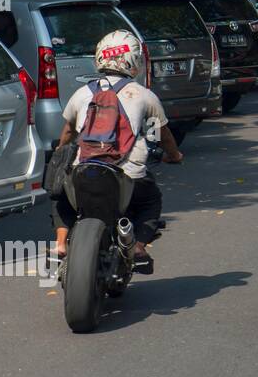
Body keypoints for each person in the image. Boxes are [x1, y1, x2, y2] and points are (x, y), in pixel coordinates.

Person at [53, 30, 183, 268]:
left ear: (100, 57)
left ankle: (60, 245)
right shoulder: (144, 95)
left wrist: (60, 153)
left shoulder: (82, 94)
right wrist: (174, 156)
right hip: (128, 177)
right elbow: (163, 136)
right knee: (151, 201)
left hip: (83, 170)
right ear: (134, 61)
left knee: (62, 199)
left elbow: (69, 132)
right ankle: (138, 246)